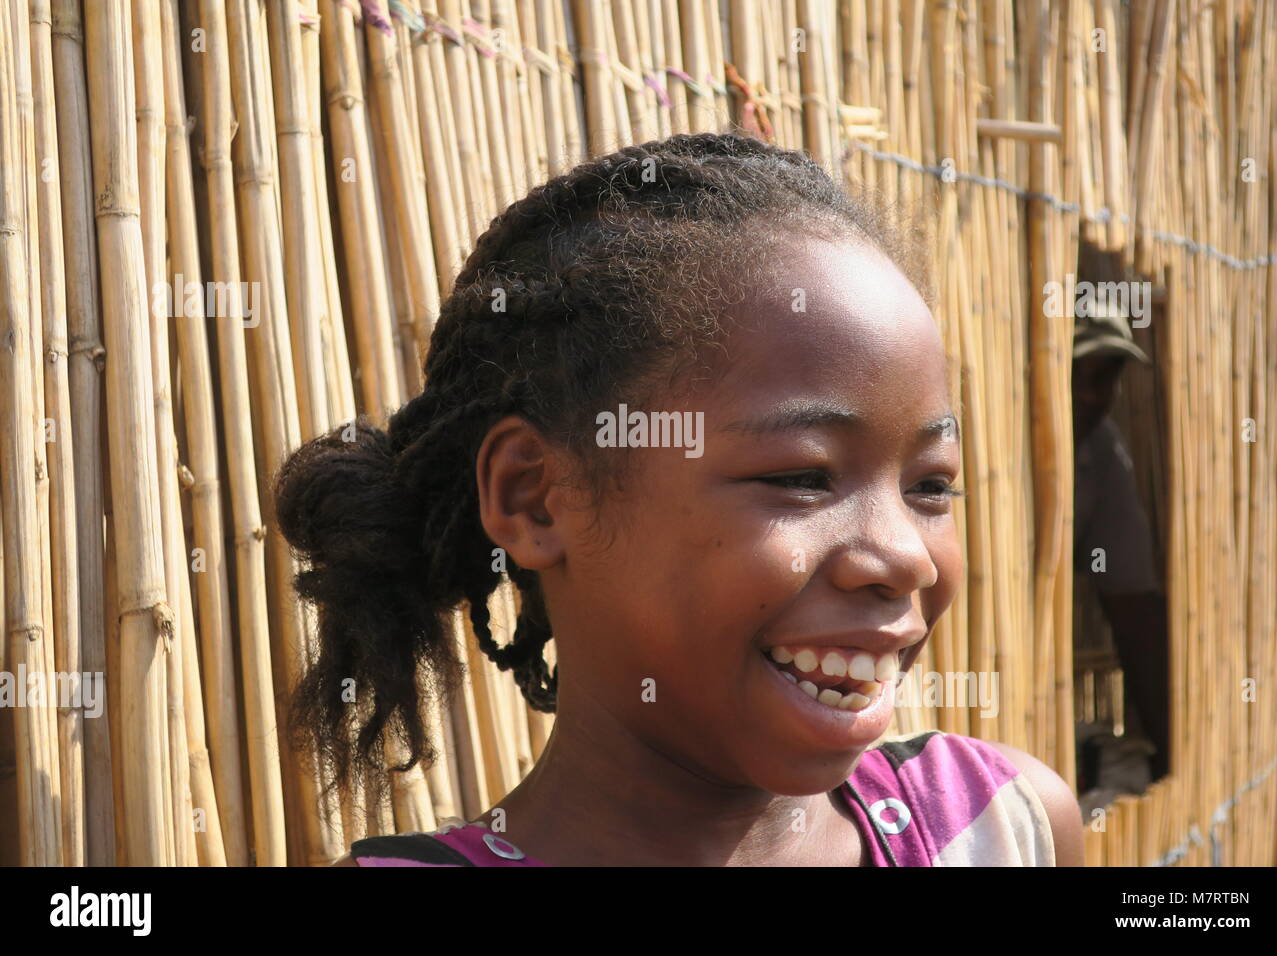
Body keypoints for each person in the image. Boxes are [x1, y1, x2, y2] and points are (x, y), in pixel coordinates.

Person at [275, 131, 1083, 866]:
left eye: (929, 485)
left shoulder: (1001, 829)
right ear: (536, 499)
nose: (905, 558)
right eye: (801, 478)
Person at [1072, 301, 1170, 781]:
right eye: (1079, 374)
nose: (1092, 395)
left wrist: (1169, 757)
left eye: (1107, 376)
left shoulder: (1101, 450)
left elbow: (1134, 607)